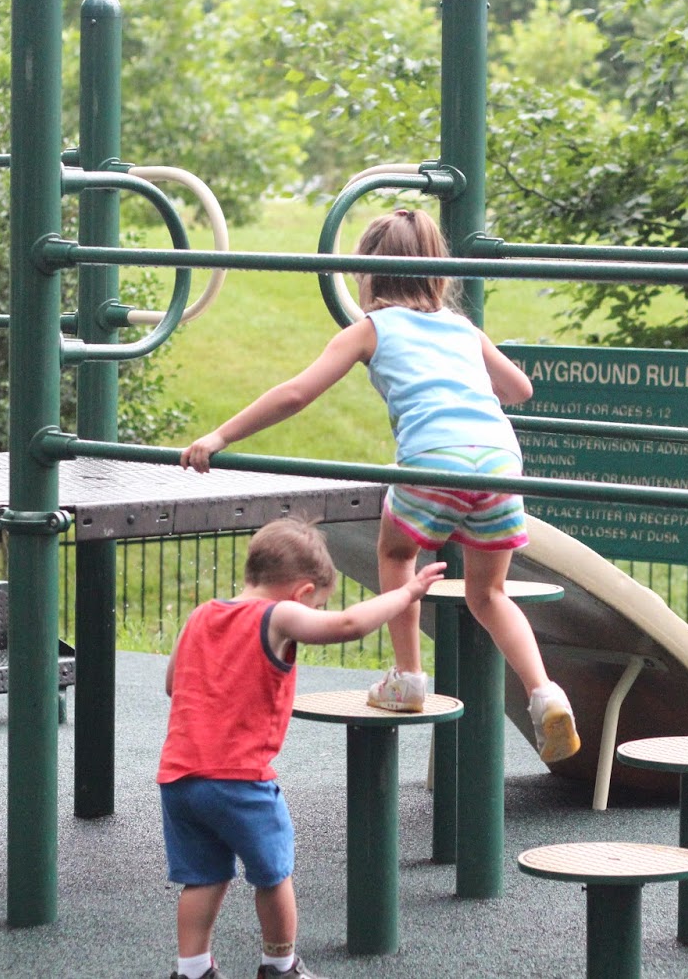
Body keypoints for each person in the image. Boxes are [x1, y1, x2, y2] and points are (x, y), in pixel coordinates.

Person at [180, 207, 580, 766]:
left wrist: (220, 435)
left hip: (431, 461)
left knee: (397, 552)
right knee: (488, 595)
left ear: (366, 273)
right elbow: (519, 390)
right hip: (499, 463)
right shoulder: (464, 328)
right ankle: (545, 693)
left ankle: (409, 677)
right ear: (437, 274)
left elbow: (297, 394)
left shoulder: (371, 329)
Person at [159, 516, 447, 979]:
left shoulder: (200, 615)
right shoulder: (279, 615)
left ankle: (191, 969)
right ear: (302, 592)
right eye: (316, 603)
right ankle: (280, 963)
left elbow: (174, 683)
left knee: (202, 876)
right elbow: (351, 624)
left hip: (179, 778)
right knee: (272, 873)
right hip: (240, 780)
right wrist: (407, 593)